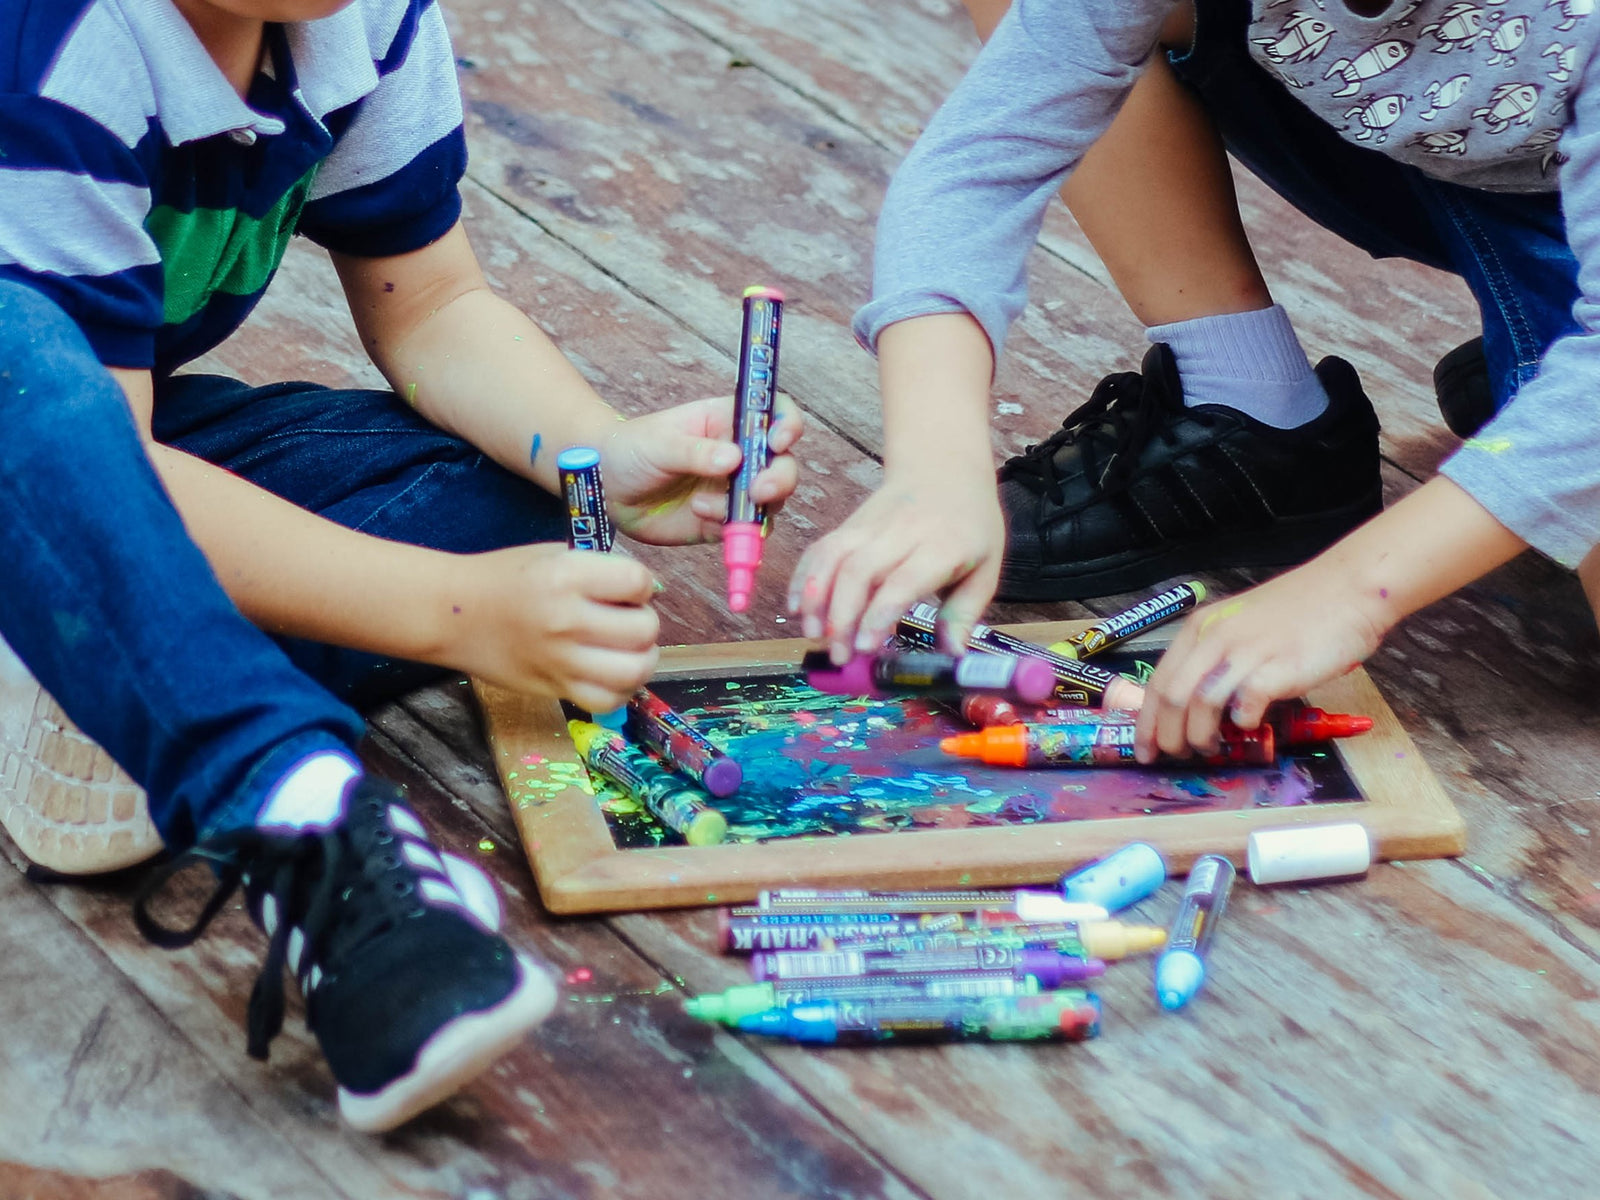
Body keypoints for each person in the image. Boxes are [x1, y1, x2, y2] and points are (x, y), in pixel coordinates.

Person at [0, 0, 801, 1130]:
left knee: (525, 504)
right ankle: (287, 803)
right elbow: (84, 448)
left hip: (101, 453)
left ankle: (104, 660)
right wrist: (455, 613)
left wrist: (601, 455)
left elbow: (431, 306)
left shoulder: (358, 20)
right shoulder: (55, 51)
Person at [790, 0, 1596, 761]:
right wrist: (936, 467)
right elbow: (982, 160)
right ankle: (1258, 398)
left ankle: (1539, 380)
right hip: (1451, 148)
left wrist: (1354, 590)